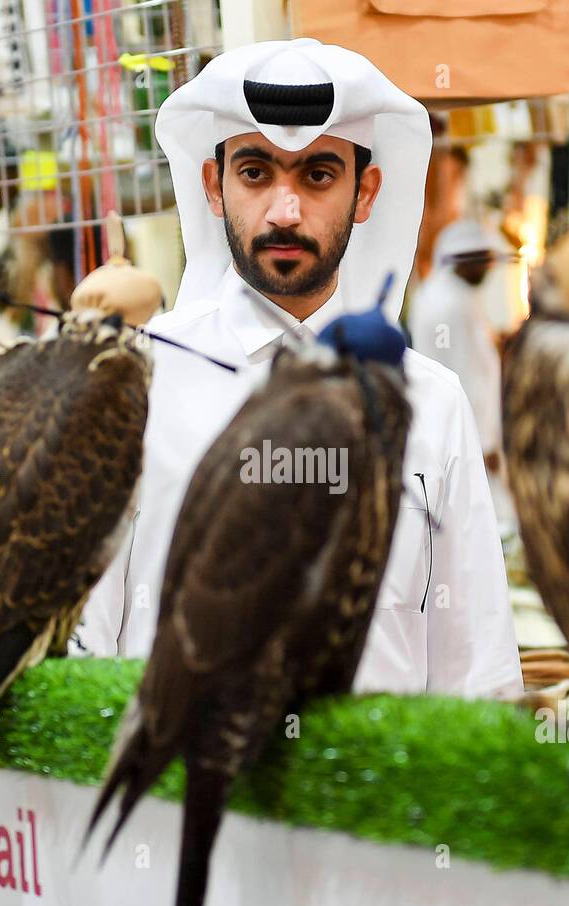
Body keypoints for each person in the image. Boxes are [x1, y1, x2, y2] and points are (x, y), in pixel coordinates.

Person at [76, 39, 522, 698]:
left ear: (366, 191)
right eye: (256, 172)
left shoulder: (434, 403)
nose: (285, 212)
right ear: (213, 186)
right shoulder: (136, 383)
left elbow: (478, 674)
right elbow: (82, 663)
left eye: (317, 174)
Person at [407, 220, 508, 495]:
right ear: (464, 261)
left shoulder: (445, 294)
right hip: (465, 439)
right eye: (483, 260)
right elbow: (466, 376)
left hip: (453, 433)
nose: (488, 268)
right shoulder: (450, 304)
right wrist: (485, 443)